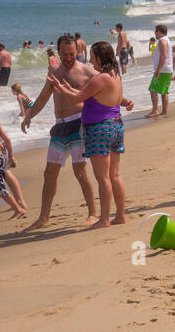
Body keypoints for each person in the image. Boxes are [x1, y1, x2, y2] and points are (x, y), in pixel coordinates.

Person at [47, 41, 133, 229]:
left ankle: (104, 219)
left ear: (101, 57)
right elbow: (85, 93)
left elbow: (77, 97)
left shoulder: (100, 77)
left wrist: (58, 86)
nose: (90, 59)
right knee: (115, 175)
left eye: (93, 56)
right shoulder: (115, 75)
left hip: (99, 129)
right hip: (116, 126)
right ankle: (120, 215)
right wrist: (63, 86)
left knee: (103, 178)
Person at [17, 34, 100, 230]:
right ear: (59, 52)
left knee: (80, 171)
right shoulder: (55, 71)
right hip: (59, 127)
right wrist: (29, 116)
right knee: (49, 173)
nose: (68, 57)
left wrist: (114, 110)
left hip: (78, 125)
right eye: (64, 54)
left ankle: (93, 214)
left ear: (77, 52)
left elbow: (107, 87)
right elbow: (44, 96)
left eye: (72, 54)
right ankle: (44, 218)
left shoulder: (87, 72)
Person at [148, 24, 173, 118]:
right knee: (164, 91)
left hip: (163, 70)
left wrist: (158, 70)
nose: (155, 34)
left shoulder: (162, 41)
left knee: (152, 89)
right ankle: (164, 111)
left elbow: (163, 56)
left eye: (156, 31)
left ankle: (155, 110)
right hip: (167, 69)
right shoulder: (166, 40)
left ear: (159, 32)